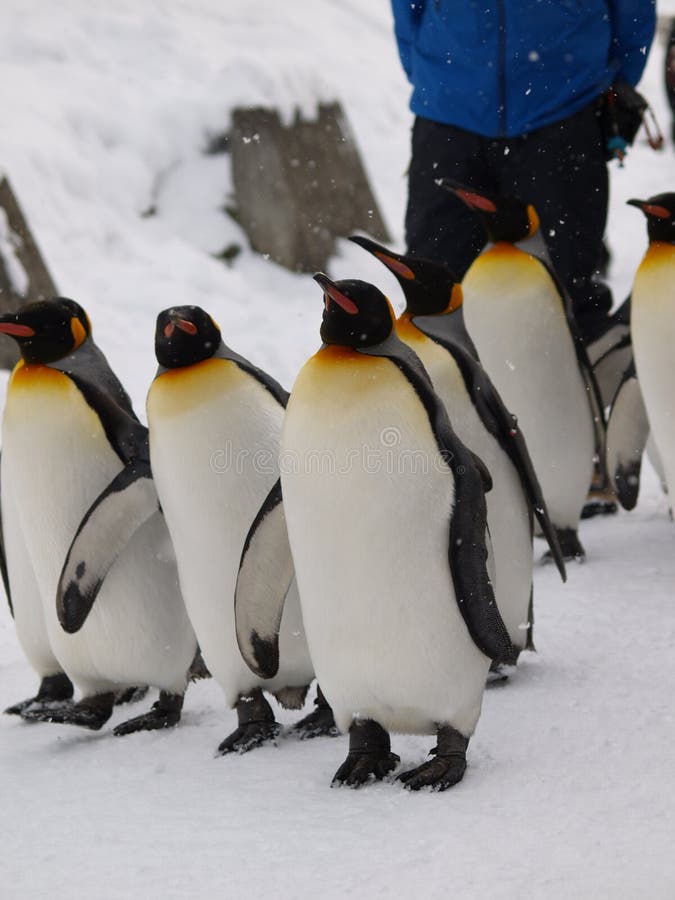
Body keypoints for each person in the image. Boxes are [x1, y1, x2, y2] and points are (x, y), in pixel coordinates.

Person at [390, 1, 656, 344]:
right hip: (449, 115)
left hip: (562, 109)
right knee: (431, 294)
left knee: (567, 292)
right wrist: (433, 72)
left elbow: (633, 10)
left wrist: (616, 80)